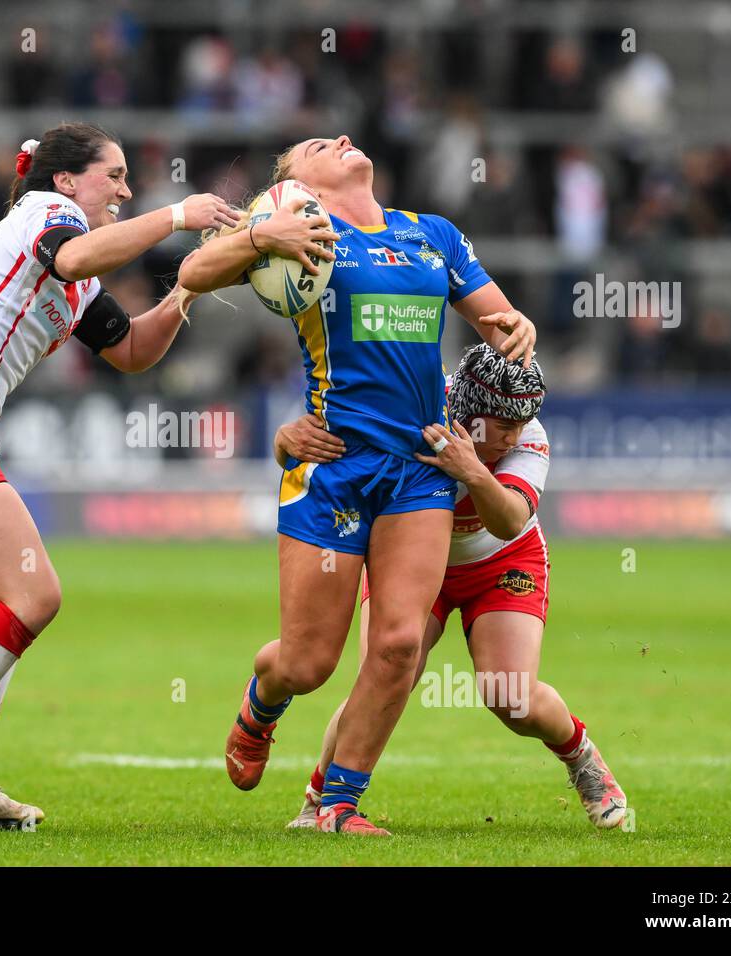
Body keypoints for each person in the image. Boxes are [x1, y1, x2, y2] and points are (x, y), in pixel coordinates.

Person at [0, 122, 239, 833]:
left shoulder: (78, 273)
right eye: (112, 175)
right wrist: (178, 216)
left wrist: (191, 285)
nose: (124, 188)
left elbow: (134, 352)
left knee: (11, 600)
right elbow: (75, 256)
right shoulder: (47, 217)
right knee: (34, 594)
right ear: (65, 181)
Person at [178, 134, 536, 835]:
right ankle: (262, 703)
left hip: (419, 467)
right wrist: (262, 232)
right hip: (333, 466)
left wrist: (514, 328)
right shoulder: (303, 232)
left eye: (341, 136)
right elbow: (193, 271)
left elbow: (500, 321)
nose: (342, 139)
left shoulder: (431, 234)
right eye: (319, 143)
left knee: (401, 644)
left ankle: (338, 804)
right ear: (294, 182)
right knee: (309, 663)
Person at [277, 345, 630, 831]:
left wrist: (472, 469)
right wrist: (284, 439)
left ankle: (583, 759)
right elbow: (334, 439)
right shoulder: (417, 406)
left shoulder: (530, 438)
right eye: (501, 425)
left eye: (520, 424)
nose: (512, 437)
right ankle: (319, 801)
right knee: (379, 679)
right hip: (412, 561)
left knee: (511, 697)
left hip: (500, 561)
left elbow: (508, 521)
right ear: (468, 407)